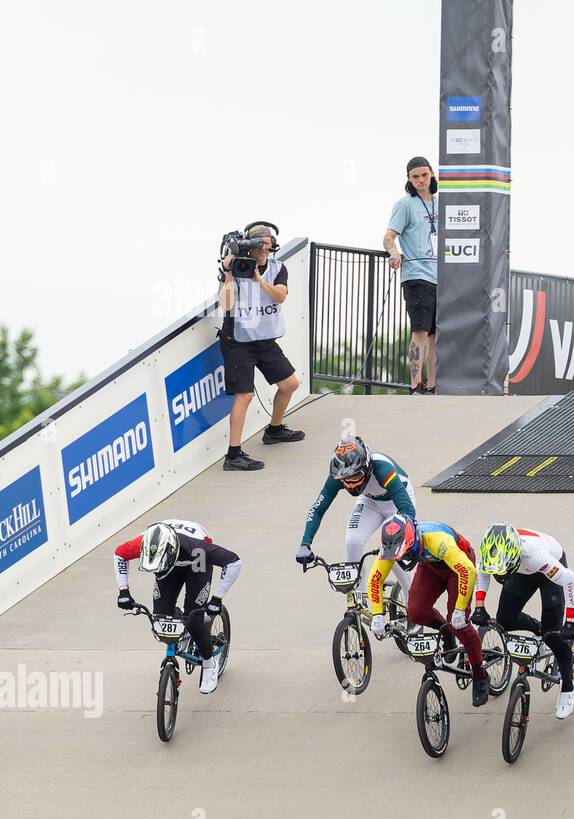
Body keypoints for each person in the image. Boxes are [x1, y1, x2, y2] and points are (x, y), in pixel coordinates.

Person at [367, 515, 490, 706]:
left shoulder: (438, 540)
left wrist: (459, 611)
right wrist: (377, 614)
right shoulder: (392, 543)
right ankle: (447, 631)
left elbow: (468, 571)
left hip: (459, 566)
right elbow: (375, 578)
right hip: (431, 566)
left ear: (413, 541)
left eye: (406, 554)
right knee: (415, 611)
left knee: (459, 623)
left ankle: (480, 674)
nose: (404, 559)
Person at [113, 519, 242, 694]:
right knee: (160, 615)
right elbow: (119, 554)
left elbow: (233, 562)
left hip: (196, 562)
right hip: (167, 561)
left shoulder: (198, 548)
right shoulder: (141, 543)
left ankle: (209, 663)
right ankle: (182, 620)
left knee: (194, 619)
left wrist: (217, 599)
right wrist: (123, 591)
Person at [471, 523, 574, 719]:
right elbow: (482, 572)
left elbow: (570, 580)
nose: (499, 576)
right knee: (505, 619)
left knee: (553, 636)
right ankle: (539, 632)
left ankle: (568, 686)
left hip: (546, 571)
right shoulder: (491, 551)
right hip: (522, 571)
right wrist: (479, 605)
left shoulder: (538, 556)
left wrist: (570, 621)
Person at [217, 223, 305, 471]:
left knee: (290, 384)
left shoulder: (277, 268)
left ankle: (274, 430)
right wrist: (230, 273)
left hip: (265, 339)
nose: (265, 248)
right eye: (260, 244)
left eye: (268, 244)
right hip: (238, 341)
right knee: (244, 395)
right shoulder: (236, 269)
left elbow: (280, 296)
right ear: (250, 247)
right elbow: (225, 304)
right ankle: (233, 456)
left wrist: (257, 280)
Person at [294, 437, 417, 604]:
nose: (351, 485)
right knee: (352, 541)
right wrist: (305, 544)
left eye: (355, 477)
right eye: (346, 480)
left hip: (396, 503)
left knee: (391, 548)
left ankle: (412, 603)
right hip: (369, 501)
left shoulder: (382, 468)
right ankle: (359, 600)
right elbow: (318, 509)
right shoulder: (338, 475)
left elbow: (407, 510)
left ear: (367, 467)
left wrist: (400, 537)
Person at [384, 156, 439, 395]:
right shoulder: (405, 204)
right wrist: (394, 252)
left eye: (424, 175)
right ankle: (415, 384)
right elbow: (388, 236)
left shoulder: (441, 203)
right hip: (417, 275)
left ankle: (433, 384)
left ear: (432, 174)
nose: (420, 180)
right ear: (408, 179)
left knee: (437, 335)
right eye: (415, 176)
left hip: (442, 277)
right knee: (420, 331)